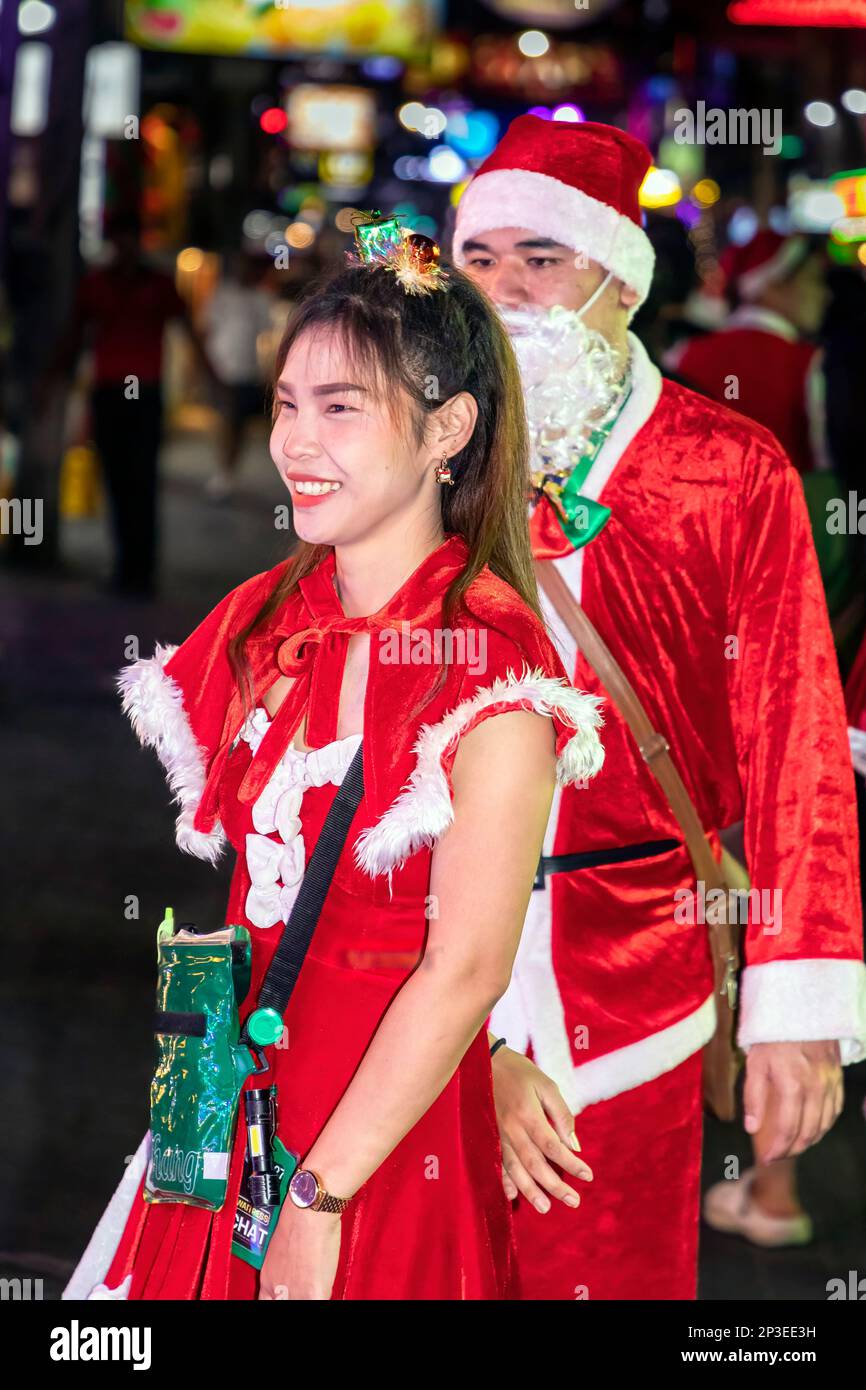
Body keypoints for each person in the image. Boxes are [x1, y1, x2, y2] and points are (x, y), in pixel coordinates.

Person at [61, 241, 603, 1301]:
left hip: (367, 1155)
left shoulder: (491, 668)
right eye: (285, 404)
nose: (295, 443)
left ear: (448, 429)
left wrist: (318, 1202)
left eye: (341, 408)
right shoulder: (271, 619)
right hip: (219, 1113)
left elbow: (462, 968)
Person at [453, 114, 866, 1300]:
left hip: (632, 976)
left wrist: (791, 1009)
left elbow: (795, 742)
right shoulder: (415, 448)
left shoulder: (728, 467)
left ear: (618, 279)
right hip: (414, 968)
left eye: (542, 256)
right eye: (479, 259)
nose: (505, 290)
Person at [54, 215, 222, 595]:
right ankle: (125, 567)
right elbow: (74, 337)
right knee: (115, 482)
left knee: (142, 482)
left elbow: (189, 332)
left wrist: (214, 379)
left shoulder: (159, 285)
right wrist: (52, 381)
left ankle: (141, 571)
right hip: (110, 394)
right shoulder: (95, 284)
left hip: (144, 396)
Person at [674, 228, 829, 477]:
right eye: (813, 280)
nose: (824, 295)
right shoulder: (809, 363)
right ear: (772, 287)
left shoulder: (684, 354)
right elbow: (825, 466)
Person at [202, 251, 275, 501]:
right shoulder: (223, 294)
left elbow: (266, 337)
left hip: (247, 370)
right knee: (226, 420)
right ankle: (223, 471)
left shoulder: (261, 298)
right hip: (222, 367)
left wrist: (267, 370)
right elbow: (207, 330)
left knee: (238, 423)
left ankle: (228, 472)